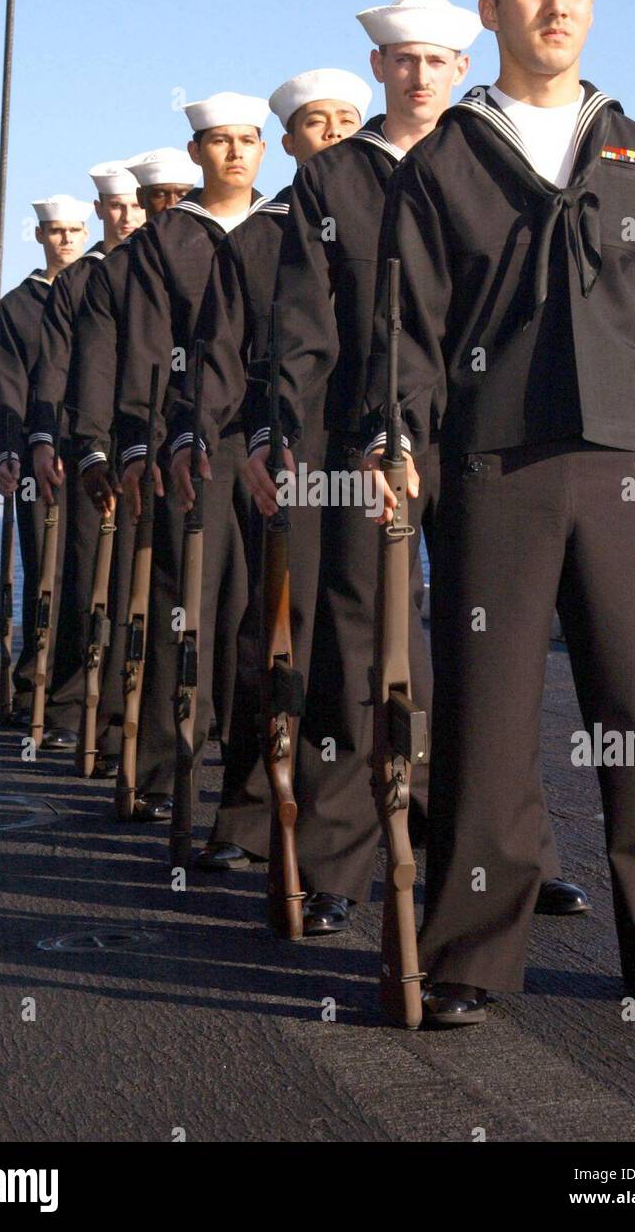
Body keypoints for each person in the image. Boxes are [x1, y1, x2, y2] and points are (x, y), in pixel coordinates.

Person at [366, 0, 635, 1023]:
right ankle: (471, 961)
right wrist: (397, 439)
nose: (557, 3)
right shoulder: (439, 162)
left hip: (614, 467)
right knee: (489, 721)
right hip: (490, 466)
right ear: (490, 11)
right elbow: (403, 329)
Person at [245, 0, 588, 935]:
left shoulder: (497, 161)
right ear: (379, 72)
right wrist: (287, 432)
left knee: (491, 656)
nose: (421, 75)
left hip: (479, 429)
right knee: (351, 646)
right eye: (403, 61)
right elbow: (303, 322)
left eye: (437, 60)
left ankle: (514, 860)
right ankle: (337, 862)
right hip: (357, 438)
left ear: (460, 67)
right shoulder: (332, 180)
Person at [169, 68, 373, 868]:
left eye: (346, 120)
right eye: (314, 124)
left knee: (402, 639)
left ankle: (423, 808)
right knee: (279, 634)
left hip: (395, 450)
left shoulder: (409, 214)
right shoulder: (260, 237)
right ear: (287, 143)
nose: (332, 134)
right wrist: (224, 438)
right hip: (297, 452)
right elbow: (221, 358)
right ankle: (253, 812)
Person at [116, 93, 268, 821]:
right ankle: (156, 770)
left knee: (262, 614)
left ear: (262, 150)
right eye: (218, 141)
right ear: (196, 152)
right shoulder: (163, 238)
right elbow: (147, 349)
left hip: (270, 438)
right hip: (193, 443)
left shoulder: (290, 226)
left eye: (246, 140)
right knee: (187, 609)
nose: (234, 153)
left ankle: (252, 782)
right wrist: (156, 438)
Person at [67, 147, 199, 777]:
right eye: (157, 199)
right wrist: (95, 447)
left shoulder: (223, 252)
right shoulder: (112, 276)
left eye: (178, 195)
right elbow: (96, 366)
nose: (167, 208)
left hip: (219, 445)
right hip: (144, 445)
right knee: (149, 600)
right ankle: (144, 751)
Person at [28, 162, 145, 749]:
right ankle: (78, 705)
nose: (124, 216)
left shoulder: (157, 267)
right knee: (84, 581)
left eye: (132, 204)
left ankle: (141, 710)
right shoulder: (77, 281)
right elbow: (51, 370)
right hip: (90, 447)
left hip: (153, 442)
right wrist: (46, 440)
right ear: (98, 211)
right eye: (113, 206)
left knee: (146, 579)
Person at [0, 194, 91, 722]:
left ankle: (79, 694)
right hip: (36, 457)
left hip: (91, 451)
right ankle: (34, 689)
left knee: (87, 575)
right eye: (56, 231)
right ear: (40, 236)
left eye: (76, 229)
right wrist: (10, 451)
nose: (67, 239)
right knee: (43, 573)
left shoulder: (100, 290)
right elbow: (8, 387)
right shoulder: (18, 305)